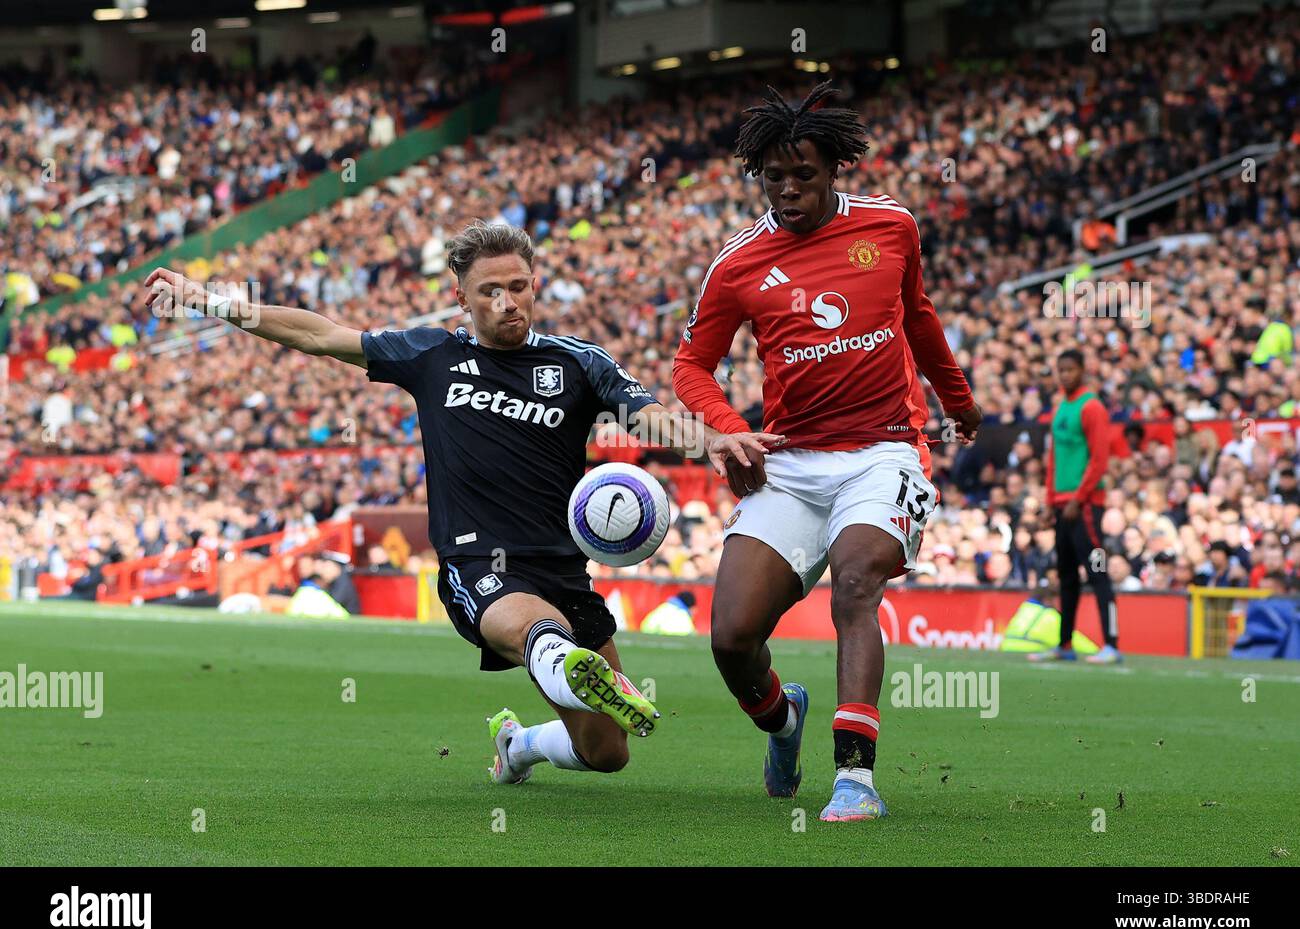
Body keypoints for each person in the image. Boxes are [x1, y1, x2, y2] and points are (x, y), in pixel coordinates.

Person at [144, 220, 756, 787]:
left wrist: (712, 440)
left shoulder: (578, 363)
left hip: (564, 570)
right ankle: (562, 662)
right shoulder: (431, 355)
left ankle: (520, 744)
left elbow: (651, 421)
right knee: (538, 633)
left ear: (535, 285)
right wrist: (206, 299)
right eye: (489, 290)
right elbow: (318, 334)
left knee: (607, 754)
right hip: (480, 568)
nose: (506, 301)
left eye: (518, 286)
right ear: (462, 297)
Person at [672, 81, 981, 823]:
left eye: (802, 175)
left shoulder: (893, 228)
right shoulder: (737, 264)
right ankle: (783, 721)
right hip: (790, 462)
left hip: (884, 452)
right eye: (772, 177)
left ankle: (857, 775)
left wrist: (958, 400)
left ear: (834, 169)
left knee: (855, 584)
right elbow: (690, 367)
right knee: (731, 636)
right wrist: (725, 426)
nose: (786, 190)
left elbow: (919, 318)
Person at [1029, 350, 1121, 663]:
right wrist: (1050, 501)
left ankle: (1112, 644)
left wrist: (1078, 498)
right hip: (1063, 506)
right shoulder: (1062, 409)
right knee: (1066, 576)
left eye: (1070, 370)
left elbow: (1099, 461)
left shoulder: (1091, 407)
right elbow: (1054, 459)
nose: (1064, 375)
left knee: (1098, 573)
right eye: (1061, 370)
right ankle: (1064, 644)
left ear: (1082, 370)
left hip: (1085, 507)